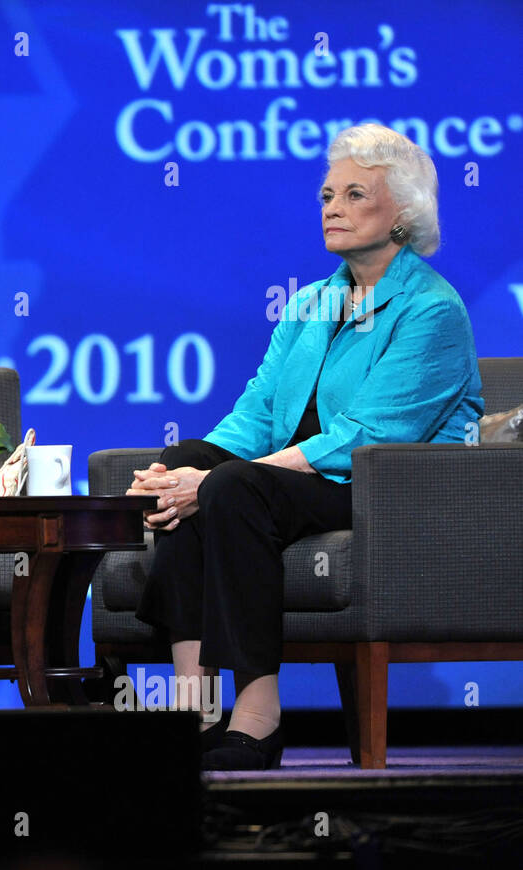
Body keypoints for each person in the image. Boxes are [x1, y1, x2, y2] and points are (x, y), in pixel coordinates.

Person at [127, 124, 482, 770]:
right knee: (190, 472)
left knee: (228, 488)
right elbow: (257, 415)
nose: (331, 208)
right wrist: (177, 472)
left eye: (353, 195)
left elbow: (368, 436)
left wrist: (216, 481)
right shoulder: (312, 303)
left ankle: (258, 720)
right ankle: (194, 713)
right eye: (325, 195)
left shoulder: (432, 310)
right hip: (292, 485)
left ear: (402, 213)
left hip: (380, 492)